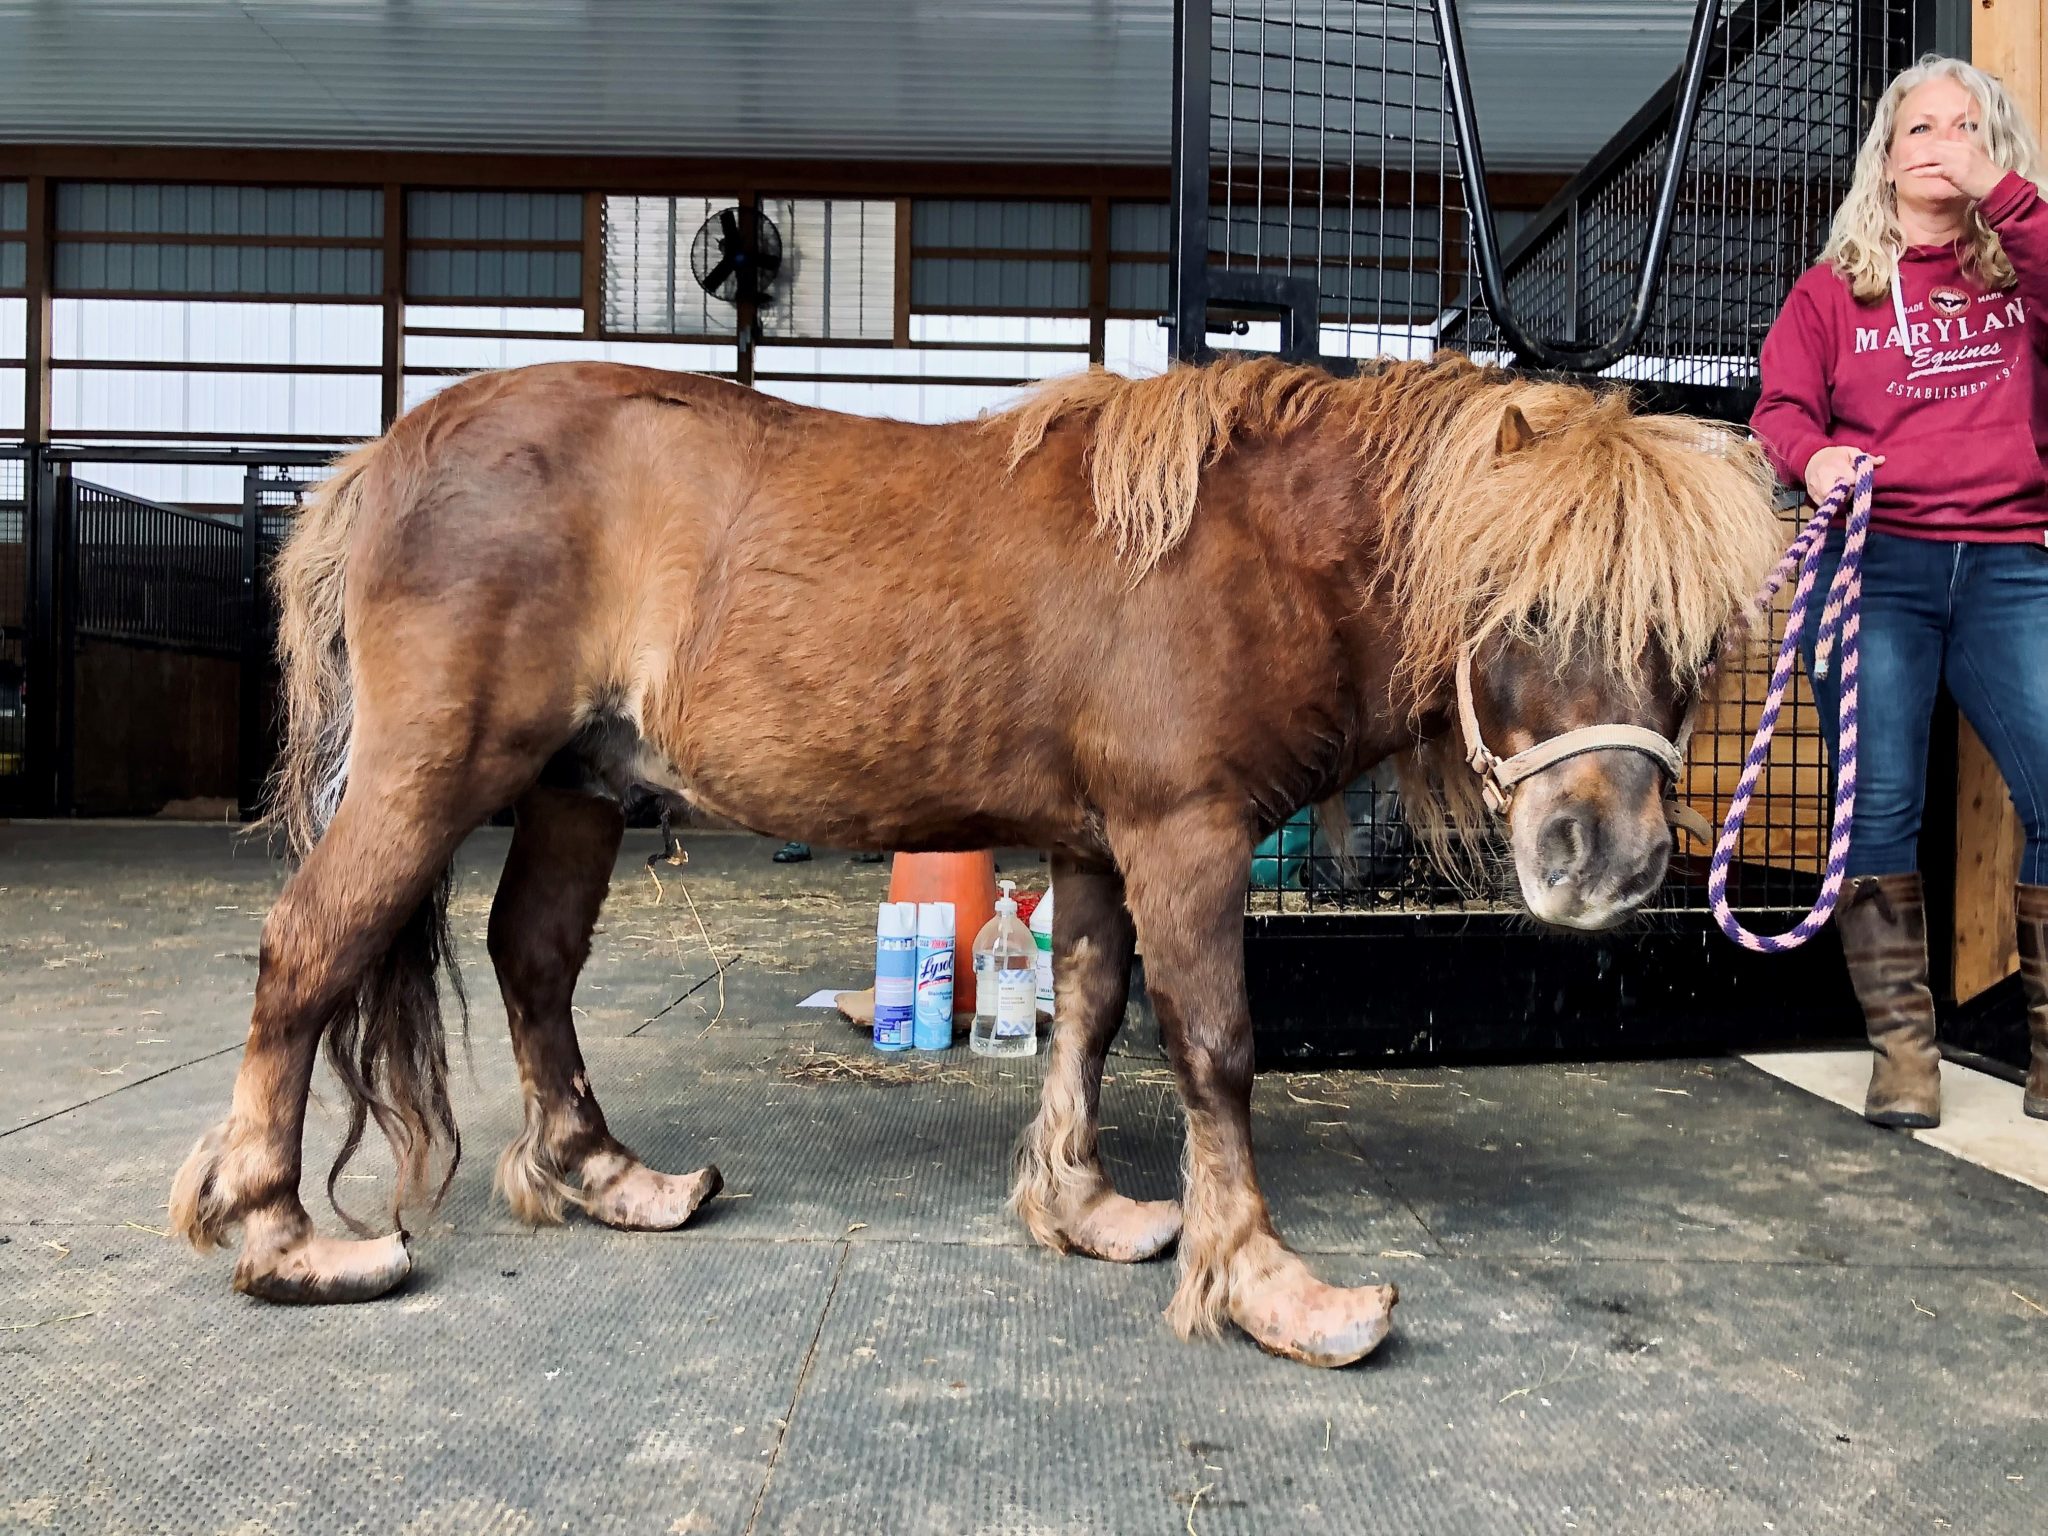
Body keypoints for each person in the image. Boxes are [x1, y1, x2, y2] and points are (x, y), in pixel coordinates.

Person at [1753, 55, 2048, 1128]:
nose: (1939, 142)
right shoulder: (1833, 289)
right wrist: (1814, 456)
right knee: (1873, 799)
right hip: (1876, 562)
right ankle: (1904, 1052)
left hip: (2008, 559)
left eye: (1963, 127)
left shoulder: (2021, 263)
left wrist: (2004, 199)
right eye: (1918, 128)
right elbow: (1778, 405)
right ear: (1885, 156)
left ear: (1992, 147)